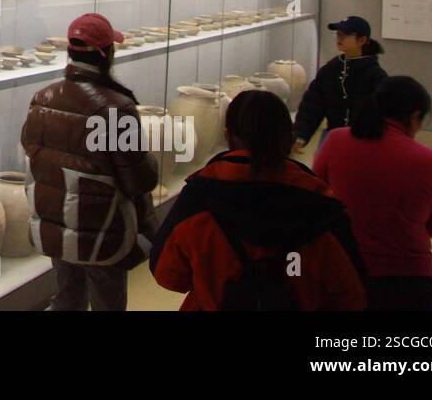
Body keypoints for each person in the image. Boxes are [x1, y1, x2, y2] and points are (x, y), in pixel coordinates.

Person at [151, 89, 366, 310]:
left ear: (227, 135)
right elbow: (350, 294)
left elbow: (168, 275)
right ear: (285, 137)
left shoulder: (200, 196)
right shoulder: (321, 206)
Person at [20, 13, 158, 310]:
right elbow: (141, 179)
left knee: (67, 297)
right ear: (105, 54)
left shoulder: (42, 99)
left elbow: (33, 152)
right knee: (107, 301)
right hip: (103, 230)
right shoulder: (116, 109)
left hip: (57, 223)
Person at [313, 76, 432, 310]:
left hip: (343, 267)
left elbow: (316, 198)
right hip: (408, 278)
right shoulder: (431, 161)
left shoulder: (335, 140)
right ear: (415, 116)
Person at [293, 15, 388, 151]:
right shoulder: (330, 70)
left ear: (362, 40)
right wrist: (301, 134)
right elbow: (313, 104)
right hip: (333, 136)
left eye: (346, 34)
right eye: (338, 33)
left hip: (364, 141)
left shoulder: (376, 76)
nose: (339, 37)